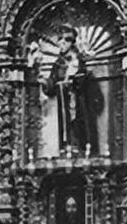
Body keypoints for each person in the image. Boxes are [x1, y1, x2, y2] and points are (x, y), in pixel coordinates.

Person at [41, 26, 98, 154]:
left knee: (78, 123)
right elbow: (51, 83)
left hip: (79, 100)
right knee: (65, 126)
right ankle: (66, 147)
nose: (62, 44)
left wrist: (74, 82)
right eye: (60, 41)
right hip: (63, 101)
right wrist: (45, 82)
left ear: (71, 43)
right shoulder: (58, 63)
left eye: (65, 41)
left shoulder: (78, 60)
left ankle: (81, 148)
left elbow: (84, 79)